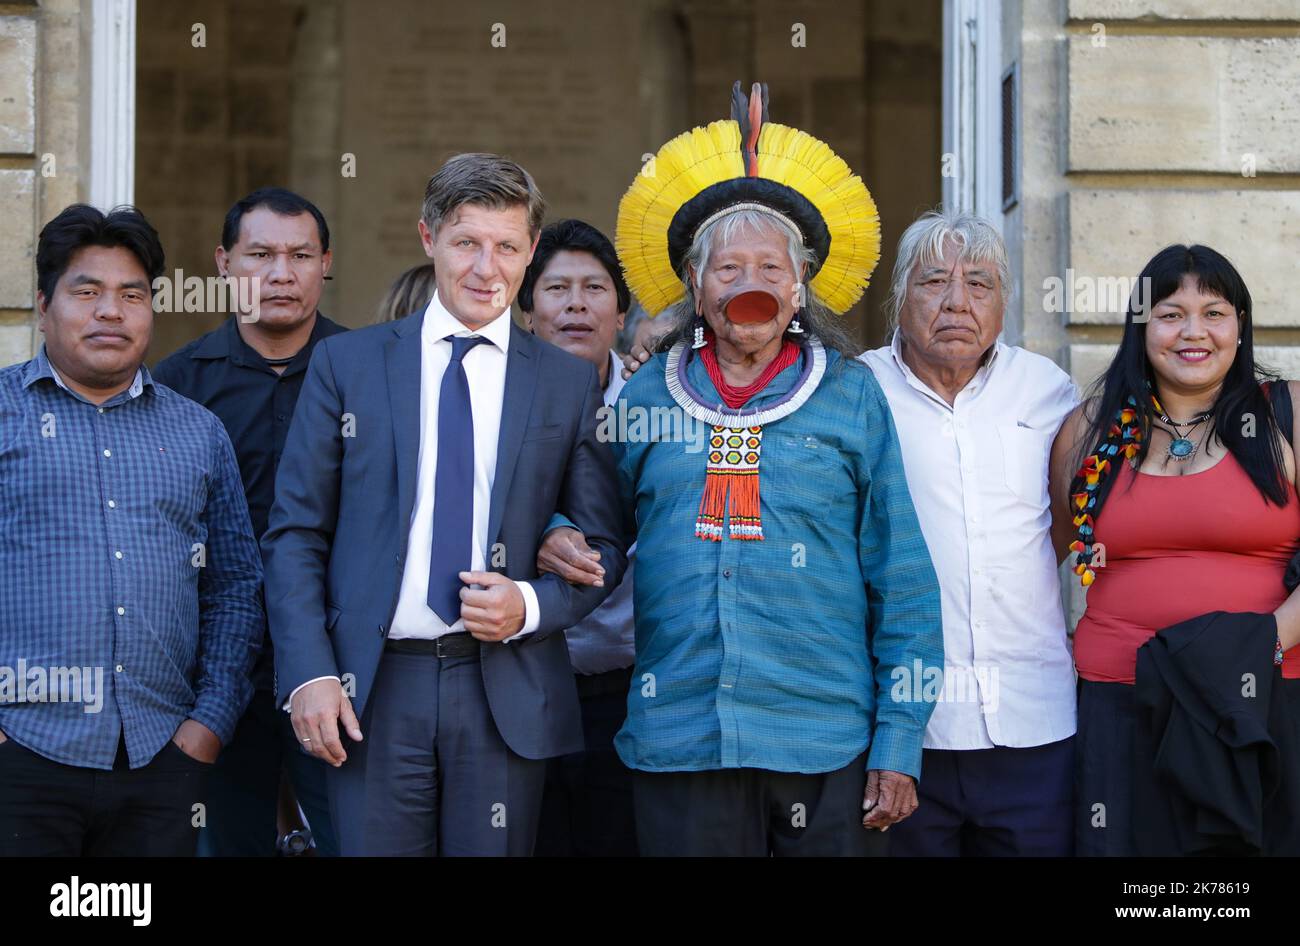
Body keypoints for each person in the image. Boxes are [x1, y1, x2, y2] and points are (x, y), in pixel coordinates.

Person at [541, 82, 943, 856]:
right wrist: (560, 532)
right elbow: (598, 520)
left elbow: (905, 580)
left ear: (798, 289)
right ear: (695, 287)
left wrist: (899, 741)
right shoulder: (653, 390)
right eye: (727, 269)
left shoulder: (852, 395)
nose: (748, 284)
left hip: (825, 746)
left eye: (769, 267)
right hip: (678, 741)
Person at [260, 153, 628, 856]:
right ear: (428, 238)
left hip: (503, 690)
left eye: (508, 247)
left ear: (526, 256)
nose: (487, 268)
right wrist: (308, 672)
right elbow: (296, 534)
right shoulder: (350, 366)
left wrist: (532, 604)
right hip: (370, 686)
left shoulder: (563, 384)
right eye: (467, 242)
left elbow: (601, 548)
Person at [0, 204, 264, 856]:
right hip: (23, 756)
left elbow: (235, 585)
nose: (110, 312)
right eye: (86, 292)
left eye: (132, 294)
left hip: (160, 761)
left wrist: (209, 723)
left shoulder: (197, 432)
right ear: (43, 304)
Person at [1048, 244, 1300, 855]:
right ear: (1141, 327)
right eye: (1170, 312)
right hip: (1119, 699)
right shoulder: (1089, 431)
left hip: (1260, 696)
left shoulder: (1287, 414)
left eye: (1215, 312)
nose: (1194, 332)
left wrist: (1255, 646)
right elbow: (1058, 556)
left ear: (1240, 327)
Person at [858, 209, 1080, 856]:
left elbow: (1064, 525)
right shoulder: (858, 391)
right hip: (904, 733)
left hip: (1034, 721)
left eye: (979, 284)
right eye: (934, 282)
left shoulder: (1045, 391)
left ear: (1003, 303)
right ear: (900, 297)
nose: (957, 302)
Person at [153, 187, 345, 858]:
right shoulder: (174, 386)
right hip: (213, 672)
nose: (280, 273)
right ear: (223, 264)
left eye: (300, 255)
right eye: (259, 254)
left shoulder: (370, 372)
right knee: (225, 844)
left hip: (341, 665)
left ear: (327, 263)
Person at [518, 219, 639, 856]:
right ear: (528, 309)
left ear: (620, 312)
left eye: (594, 288)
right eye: (556, 288)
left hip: (631, 690)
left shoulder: (662, 404)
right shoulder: (495, 400)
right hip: (522, 684)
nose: (575, 304)